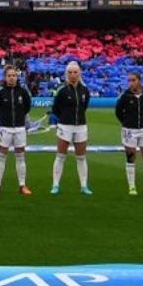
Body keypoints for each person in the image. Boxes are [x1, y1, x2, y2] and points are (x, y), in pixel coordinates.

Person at [50, 61, 93, 196]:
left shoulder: (84, 90)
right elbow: (56, 109)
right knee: (61, 156)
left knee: (81, 157)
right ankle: (56, 184)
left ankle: (84, 185)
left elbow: (84, 107)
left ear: (79, 73)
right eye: (70, 72)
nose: (73, 75)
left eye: (75, 72)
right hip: (65, 126)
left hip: (81, 126)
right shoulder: (62, 90)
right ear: (66, 74)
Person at [0, 67, 33, 196]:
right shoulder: (0, 92)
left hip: (19, 128)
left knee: (20, 157)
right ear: (5, 77)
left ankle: (22, 185)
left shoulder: (23, 92)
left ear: (17, 77)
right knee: (1, 156)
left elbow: (27, 107)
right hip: (5, 128)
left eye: (14, 75)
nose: (12, 77)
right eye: (9, 75)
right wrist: (4, 118)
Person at [114, 72, 143, 196]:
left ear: (139, 81)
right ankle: (132, 186)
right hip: (129, 130)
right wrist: (126, 123)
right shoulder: (125, 96)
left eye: (133, 80)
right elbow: (118, 112)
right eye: (129, 80)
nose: (131, 83)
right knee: (131, 157)